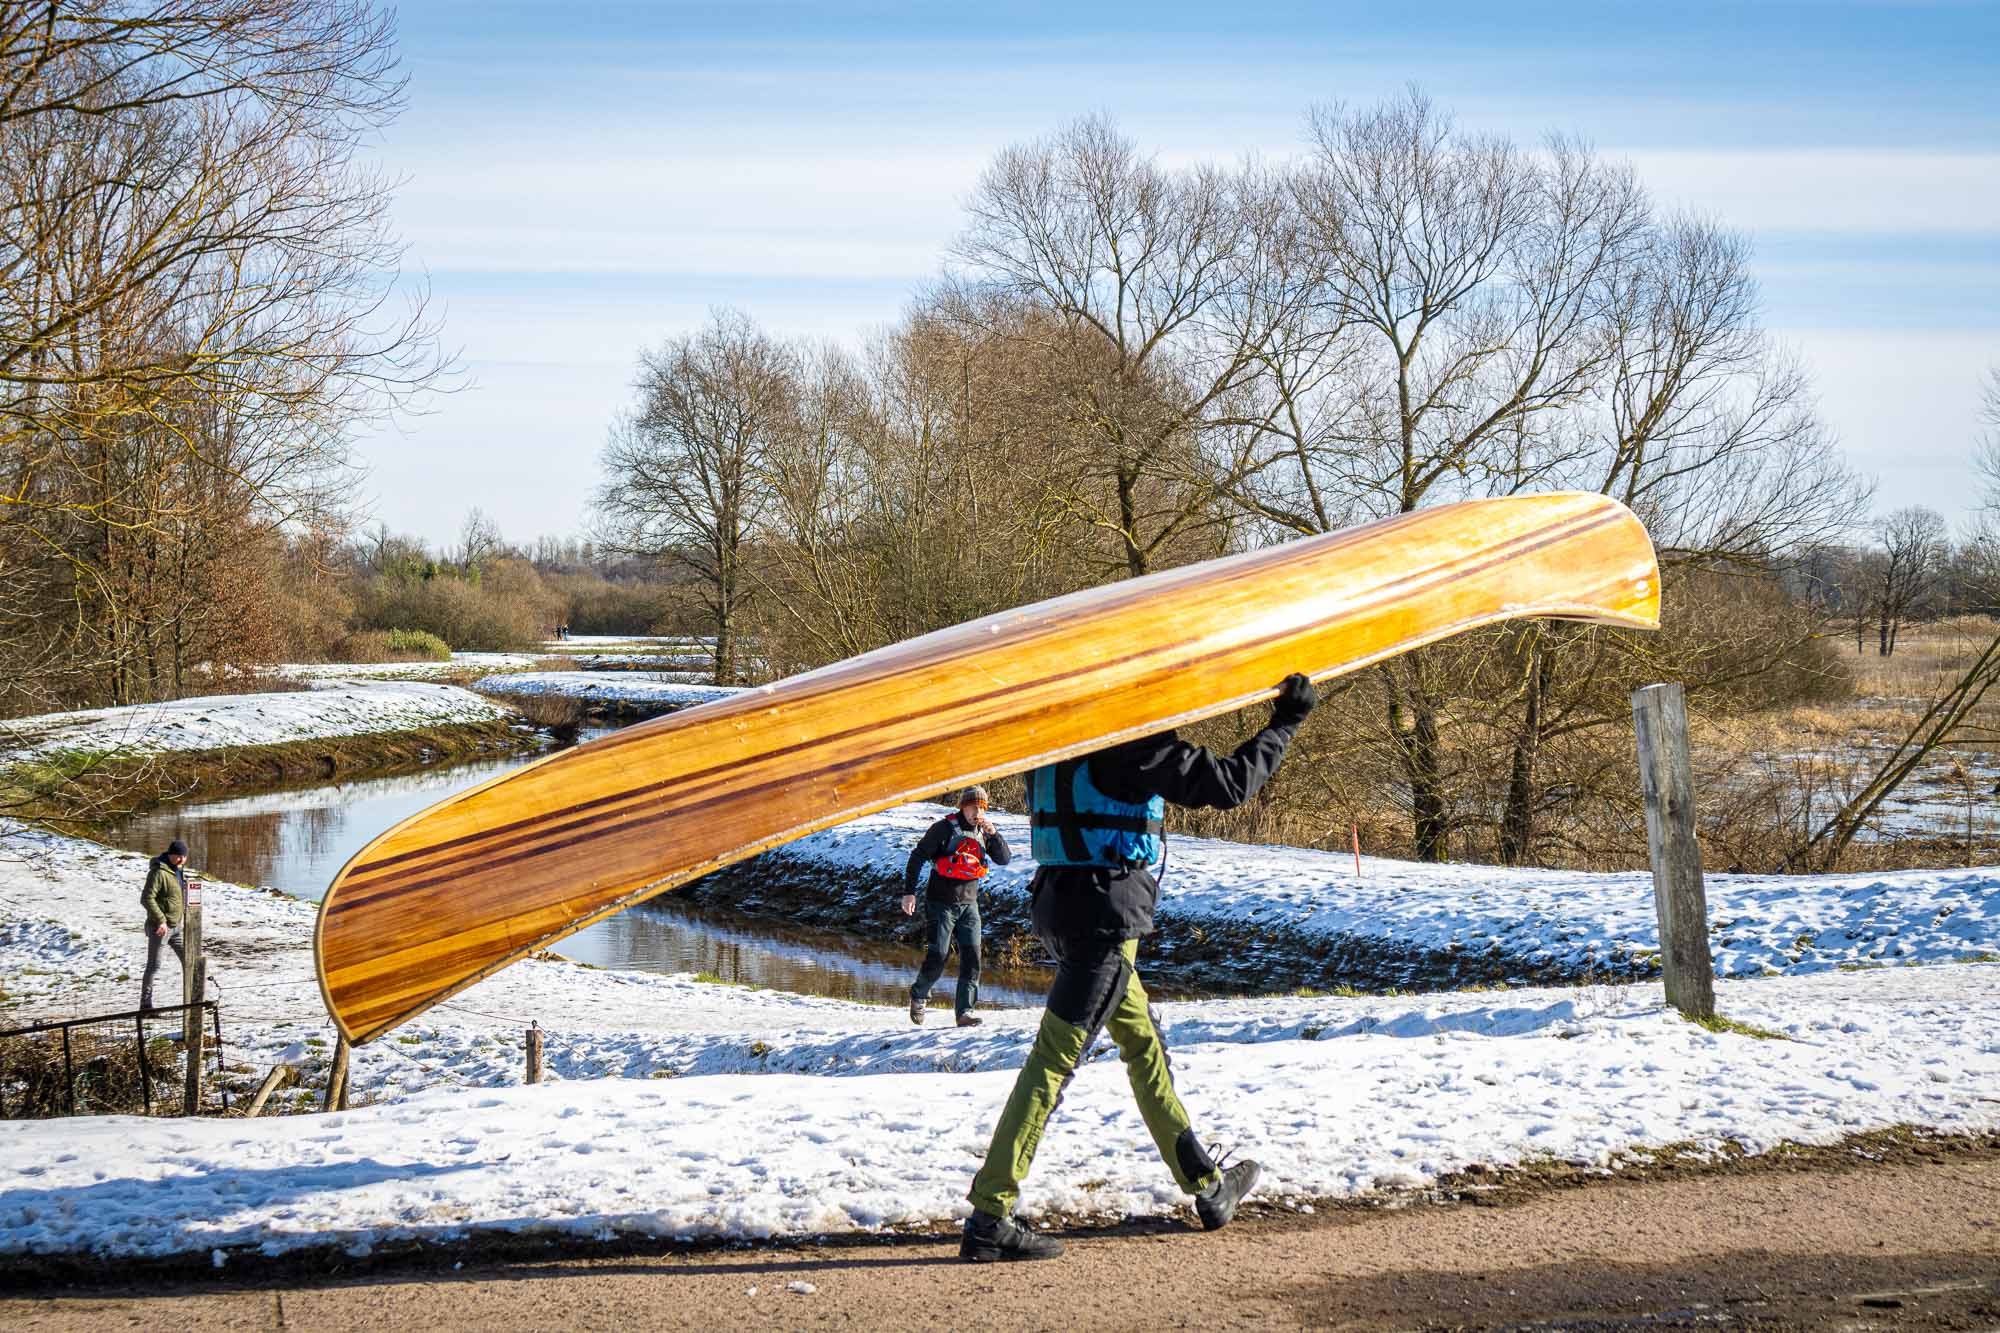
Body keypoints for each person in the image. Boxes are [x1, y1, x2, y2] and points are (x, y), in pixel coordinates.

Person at [959, 673, 1319, 1263]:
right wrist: (1285, 722)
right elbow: (1230, 784)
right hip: (1104, 918)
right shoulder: (1131, 741)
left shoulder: (1053, 732)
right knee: (1053, 1061)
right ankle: (990, 1214)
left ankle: (1207, 1186)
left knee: (1143, 1044)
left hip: (1059, 906)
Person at [902, 786, 1011, 1027]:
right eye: (973, 807)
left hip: (969, 906)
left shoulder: (984, 832)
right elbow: (917, 857)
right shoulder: (943, 829)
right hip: (940, 903)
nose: (977, 812)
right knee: (939, 955)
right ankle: (919, 994)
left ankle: (964, 1013)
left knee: (972, 958)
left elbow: (1004, 859)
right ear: (963, 806)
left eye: (982, 808)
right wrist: (909, 893)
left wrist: (993, 834)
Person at [140, 839, 190, 1011]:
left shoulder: (178, 871)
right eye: (179, 856)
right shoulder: (158, 872)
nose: (182, 860)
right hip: (160, 928)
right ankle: (145, 1006)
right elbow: (146, 898)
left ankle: (193, 999)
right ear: (171, 854)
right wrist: (161, 920)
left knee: (189, 960)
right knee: (154, 966)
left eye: (184, 857)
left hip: (176, 928)